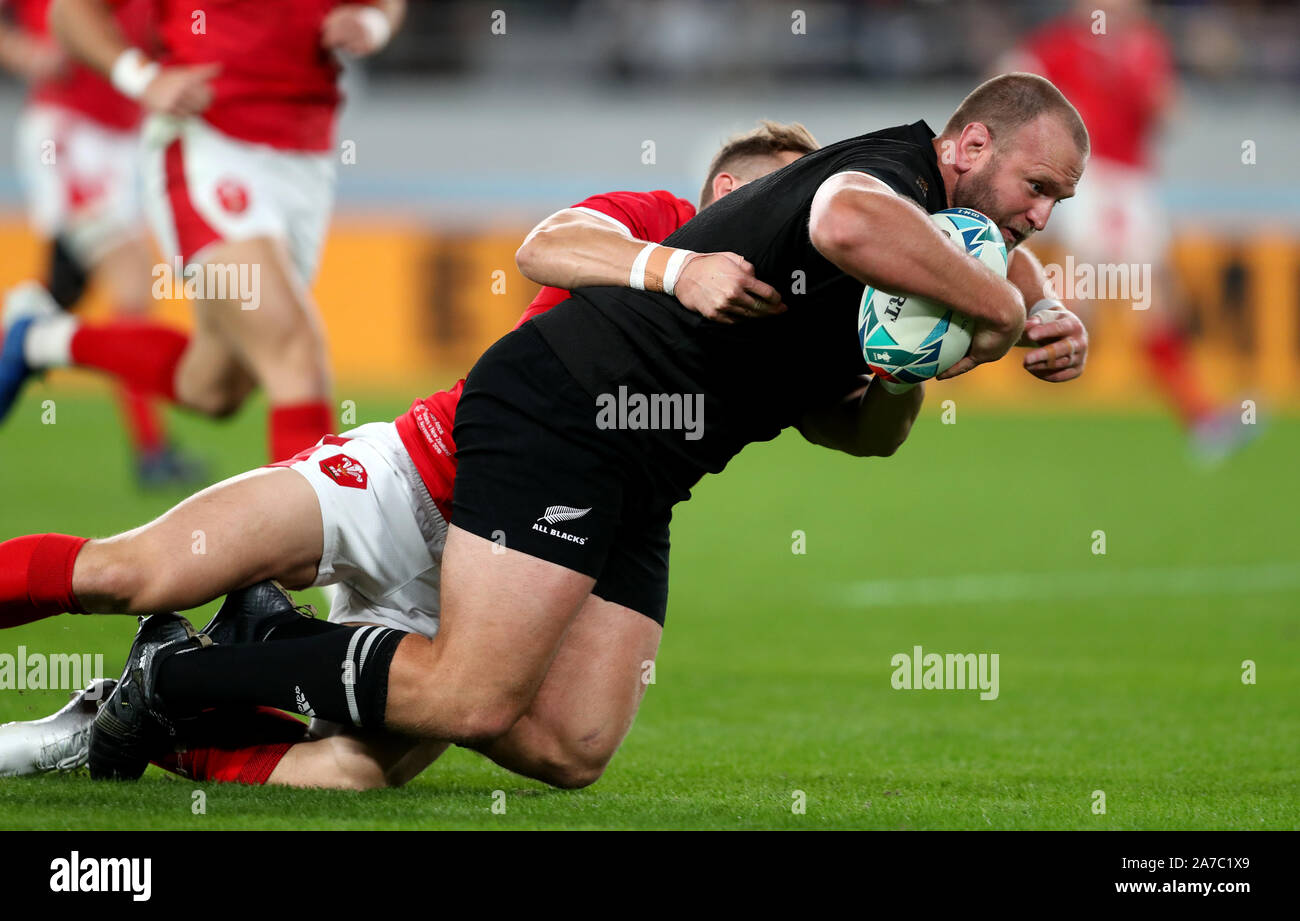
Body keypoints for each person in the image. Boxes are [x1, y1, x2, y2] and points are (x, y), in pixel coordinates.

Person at [80, 74, 1092, 787]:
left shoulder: (937, 262)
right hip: (569, 406)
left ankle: (275, 644)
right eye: (1036, 188)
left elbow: (865, 436)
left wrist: (913, 370)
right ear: (966, 148)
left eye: (1059, 202)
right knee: (470, 699)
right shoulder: (887, 177)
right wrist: (1007, 314)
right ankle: (178, 675)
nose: (1042, 215)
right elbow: (842, 220)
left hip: (648, 473)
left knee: (570, 748)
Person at [0, 122, 829, 788]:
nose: (808, 224)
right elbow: (545, 244)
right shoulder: (656, 218)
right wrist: (676, 269)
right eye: (794, 193)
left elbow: (852, 427)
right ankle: (217, 654)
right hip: (414, 474)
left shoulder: (788, 313)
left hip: (529, 566)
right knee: (135, 575)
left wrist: (910, 358)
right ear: (731, 191)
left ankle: (128, 715)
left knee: (359, 769)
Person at [0, 0, 405, 463]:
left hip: (306, 161)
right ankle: (314, 532)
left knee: (215, 386)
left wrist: (375, 21)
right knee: (294, 351)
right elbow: (70, 14)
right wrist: (143, 77)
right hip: (209, 148)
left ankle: (39, 338)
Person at [1003, 0, 1254, 462]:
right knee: (1125, 297)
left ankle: (1201, 419)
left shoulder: (1142, 46)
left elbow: (1167, 109)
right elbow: (1009, 80)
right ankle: (1201, 419)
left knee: (1130, 299)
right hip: (1102, 183)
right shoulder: (1064, 45)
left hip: (1133, 184)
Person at [0, 0, 202, 485]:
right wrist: (21, 50)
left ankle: (152, 450)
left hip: (123, 143)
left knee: (57, 295)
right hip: (69, 132)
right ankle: (152, 452)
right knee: (132, 281)